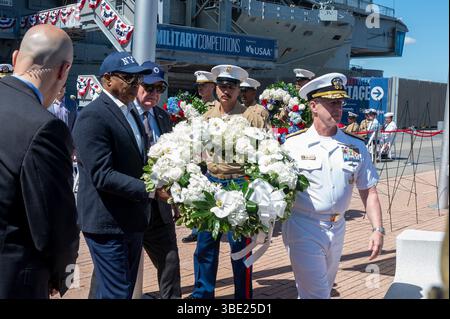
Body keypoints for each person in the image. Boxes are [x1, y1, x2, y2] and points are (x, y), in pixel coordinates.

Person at [73, 52, 168, 299]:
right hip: (107, 223)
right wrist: (151, 189)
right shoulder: (93, 115)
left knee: (115, 290)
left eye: (137, 78)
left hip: (132, 220)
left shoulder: (131, 112)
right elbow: (102, 175)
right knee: (118, 292)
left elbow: (138, 159)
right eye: (128, 78)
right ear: (107, 80)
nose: (135, 84)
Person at [282, 73, 384, 299]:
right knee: (317, 293)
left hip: (337, 228)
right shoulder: (292, 145)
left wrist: (377, 229)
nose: (338, 108)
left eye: (340, 102)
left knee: (318, 291)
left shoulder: (355, 146)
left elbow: (369, 191)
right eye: (331, 103)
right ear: (314, 106)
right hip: (303, 226)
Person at [0, 24, 79, 299]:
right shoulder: (45, 128)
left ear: (15, 58)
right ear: (63, 70)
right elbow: (58, 225)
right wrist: (66, 278)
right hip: (14, 277)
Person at [187, 65, 267, 299]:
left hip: (239, 184)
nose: (225, 91)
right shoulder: (207, 116)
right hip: (211, 183)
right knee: (205, 245)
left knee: (240, 247)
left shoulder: (251, 117)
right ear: (217, 88)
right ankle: (202, 294)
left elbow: (265, 151)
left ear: (238, 89)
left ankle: (243, 297)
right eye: (222, 86)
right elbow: (196, 149)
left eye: (231, 87)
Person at [134, 61, 182, 299]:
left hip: (159, 208)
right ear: (136, 85)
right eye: (148, 87)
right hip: (131, 206)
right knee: (116, 272)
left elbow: (172, 161)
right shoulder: (124, 114)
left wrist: (176, 200)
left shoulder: (162, 117)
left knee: (170, 265)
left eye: (158, 89)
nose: (153, 94)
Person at [182, 70, 218, 243]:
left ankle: (205, 226)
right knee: (193, 190)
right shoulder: (194, 106)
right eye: (198, 86)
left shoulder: (217, 107)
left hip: (209, 156)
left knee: (206, 191)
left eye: (204, 85)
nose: (200, 89)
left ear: (212, 86)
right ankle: (195, 227)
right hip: (193, 154)